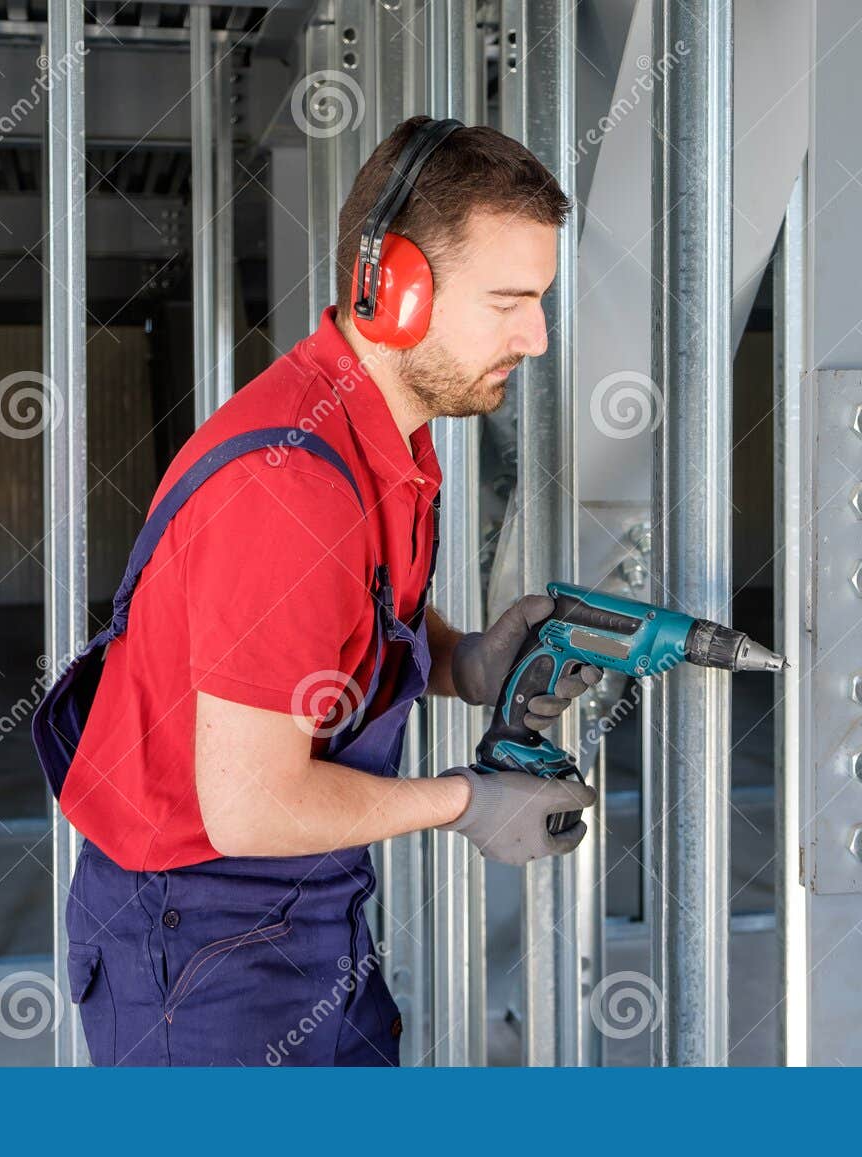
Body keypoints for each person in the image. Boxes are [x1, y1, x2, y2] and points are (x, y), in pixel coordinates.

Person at [56, 116, 601, 1067]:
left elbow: (347, 620)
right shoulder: (291, 484)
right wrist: (466, 801)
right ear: (392, 289)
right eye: (510, 301)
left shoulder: (384, 431)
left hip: (304, 901)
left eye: (542, 300)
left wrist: (465, 661)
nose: (539, 337)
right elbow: (250, 803)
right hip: (202, 931)